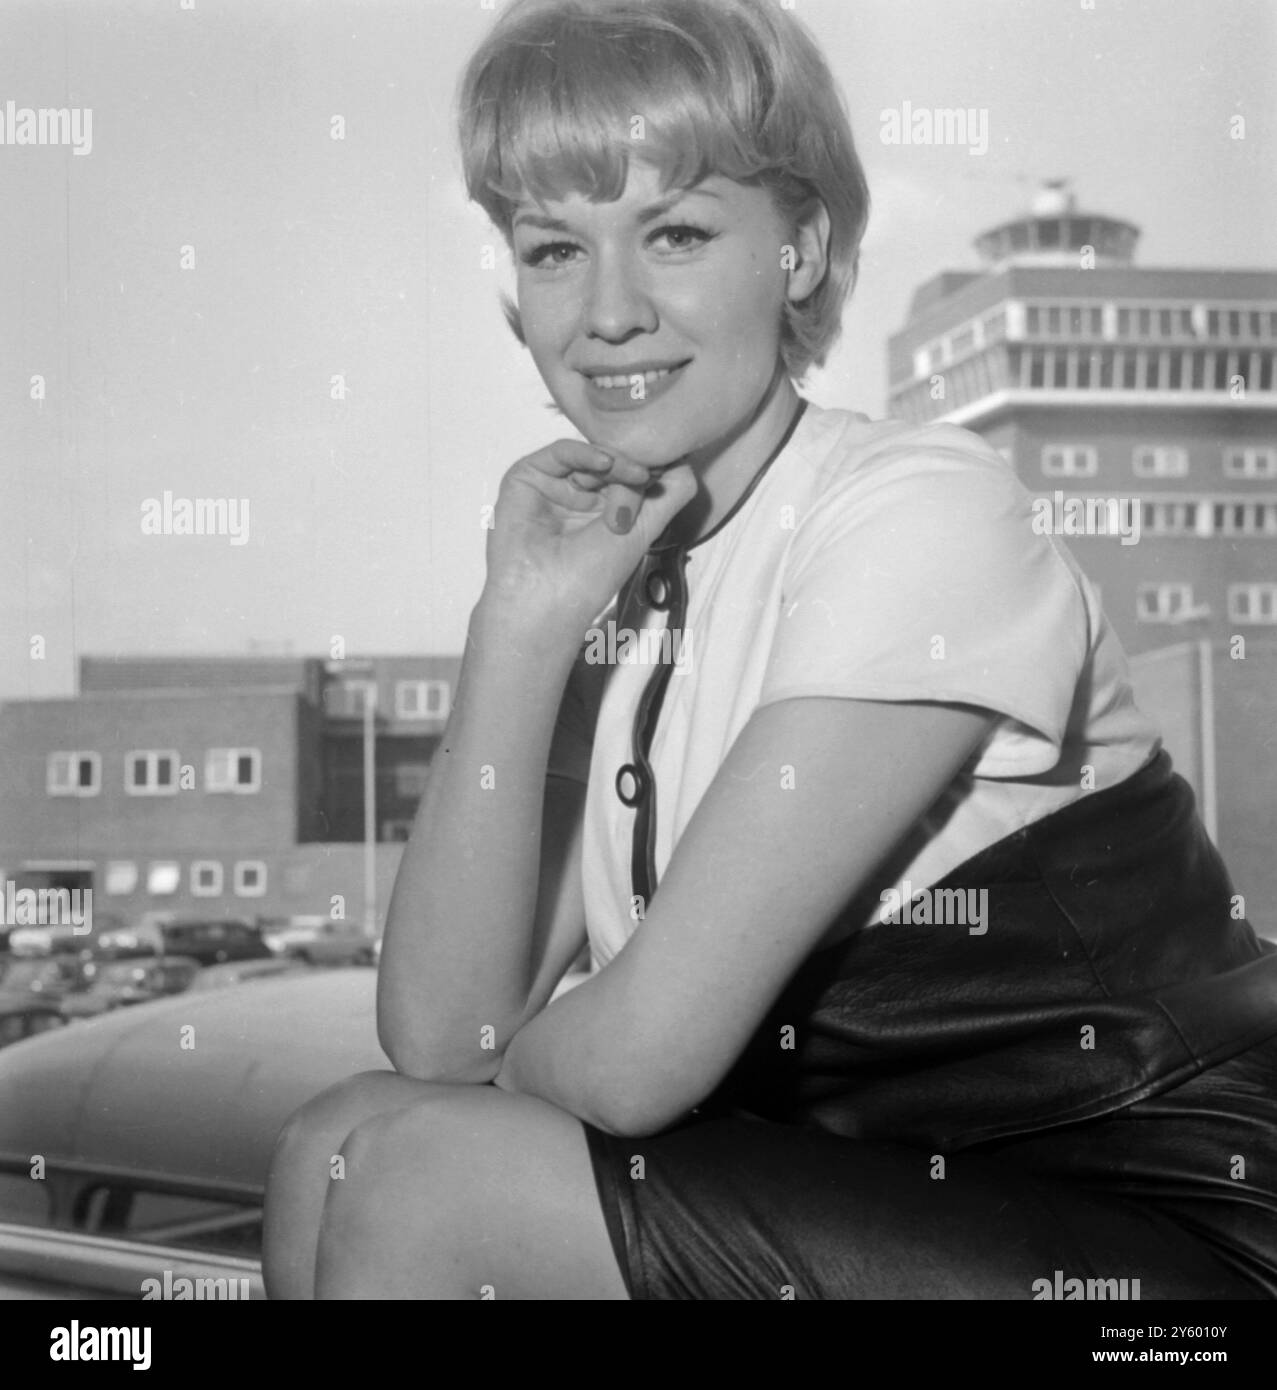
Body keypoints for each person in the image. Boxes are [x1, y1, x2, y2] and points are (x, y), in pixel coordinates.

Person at [262, 0, 1277, 1300]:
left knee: (408, 1172)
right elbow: (435, 1030)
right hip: (900, 1210)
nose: (609, 312)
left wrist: (483, 1081)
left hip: (1172, 1258)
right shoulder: (617, 574)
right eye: (556, 247)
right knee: (330, 1145)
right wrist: (513, 624)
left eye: (674, 234)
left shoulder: (919, 507)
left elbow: (634, 1066)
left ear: (797, 248)